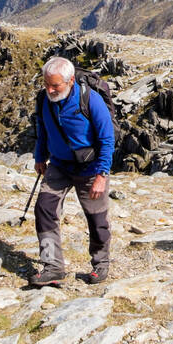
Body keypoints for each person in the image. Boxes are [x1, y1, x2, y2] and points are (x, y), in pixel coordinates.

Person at [29, 56, 115, 286]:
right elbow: (43, 129)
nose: (50, 89)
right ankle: (52, 266)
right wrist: (40, 156)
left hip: (91, 169)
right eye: (46, 83)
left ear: (69, 82)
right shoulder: (44, 99)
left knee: (97, 219)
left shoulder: (91, 100)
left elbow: (107, 139)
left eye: (55, 85)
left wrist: (101, 175)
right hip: (58, 166)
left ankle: (101, 264)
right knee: (44, 209)